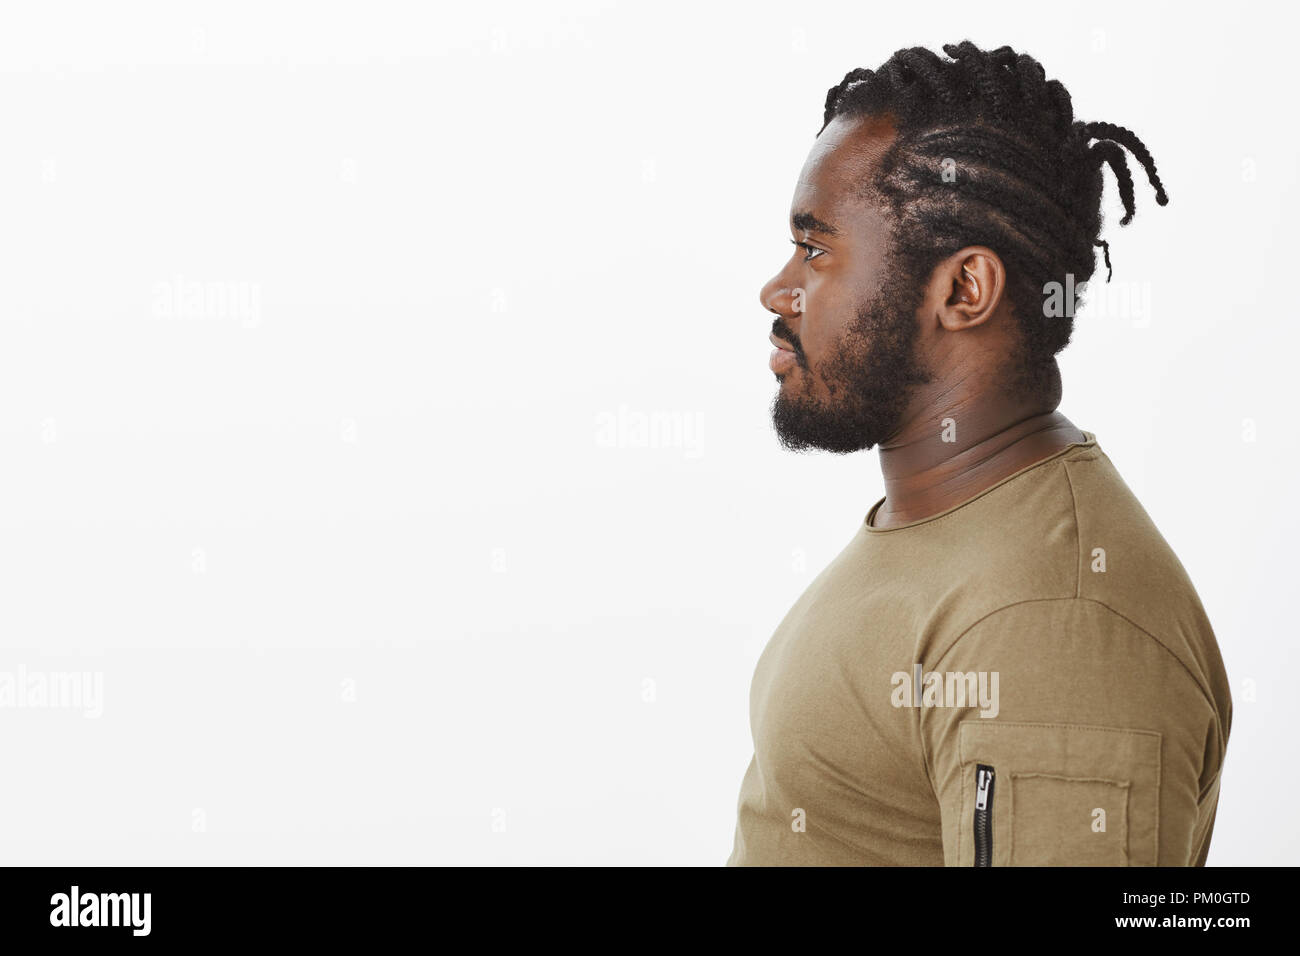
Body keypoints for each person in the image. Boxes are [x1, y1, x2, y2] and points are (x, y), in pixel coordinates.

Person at [728, 41, 1231, 866]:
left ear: (964, 290)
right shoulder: (945, 522)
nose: (778, 290)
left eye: (815, 249)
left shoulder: (1052, 619)